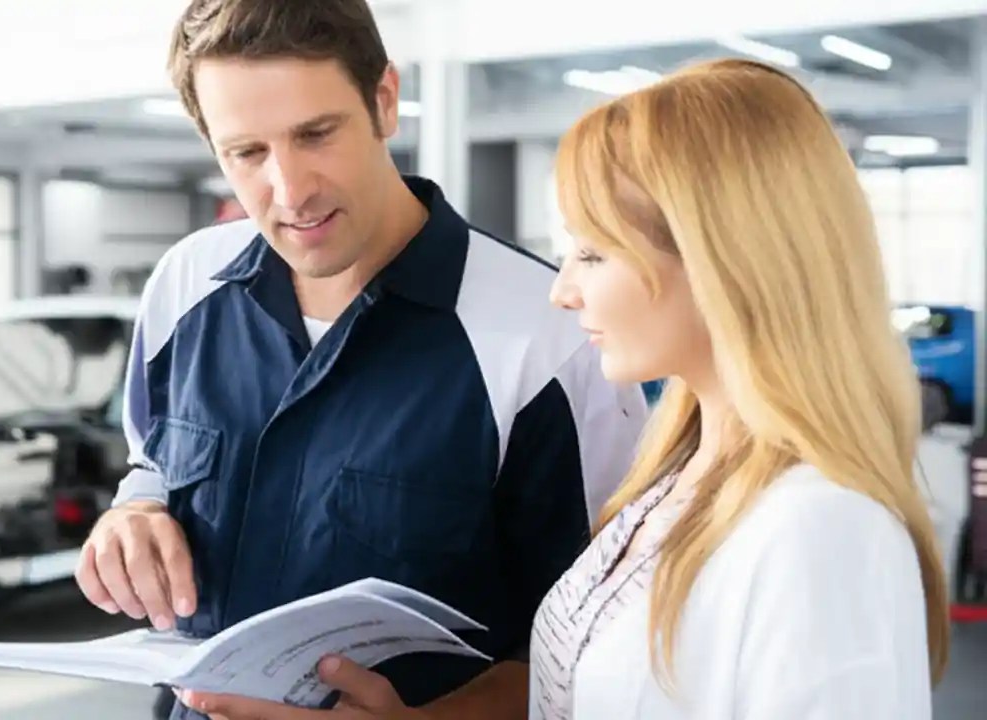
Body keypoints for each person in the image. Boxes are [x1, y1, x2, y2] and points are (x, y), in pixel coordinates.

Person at [72, 1, 647, 719]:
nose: (291, 190)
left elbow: (604, 649)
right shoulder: (185, 286)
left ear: (383, 100)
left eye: (316, 134)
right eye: (246, 153)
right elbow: (150, 466)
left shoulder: (551, 334)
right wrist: (135, 515)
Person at [523, 59, 949, 719]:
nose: (563, 290)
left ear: (717, 258)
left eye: (593, 253)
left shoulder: (821, 530)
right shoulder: (678, 475)